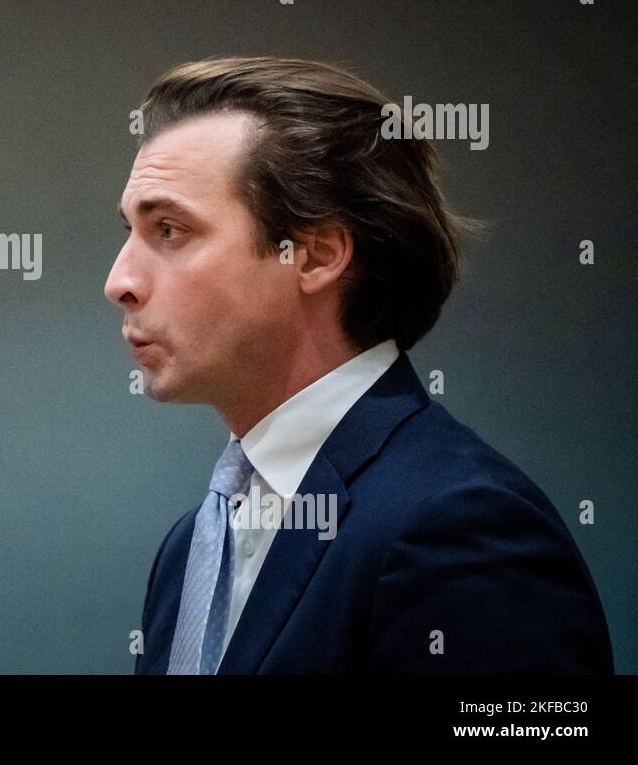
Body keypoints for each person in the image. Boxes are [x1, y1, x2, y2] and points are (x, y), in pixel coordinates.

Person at [105, 57, 612, 674]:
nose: (120, 281)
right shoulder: (192, 545)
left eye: (169, 229)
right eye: (130, 231)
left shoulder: (458, 525)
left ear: (315, 255)